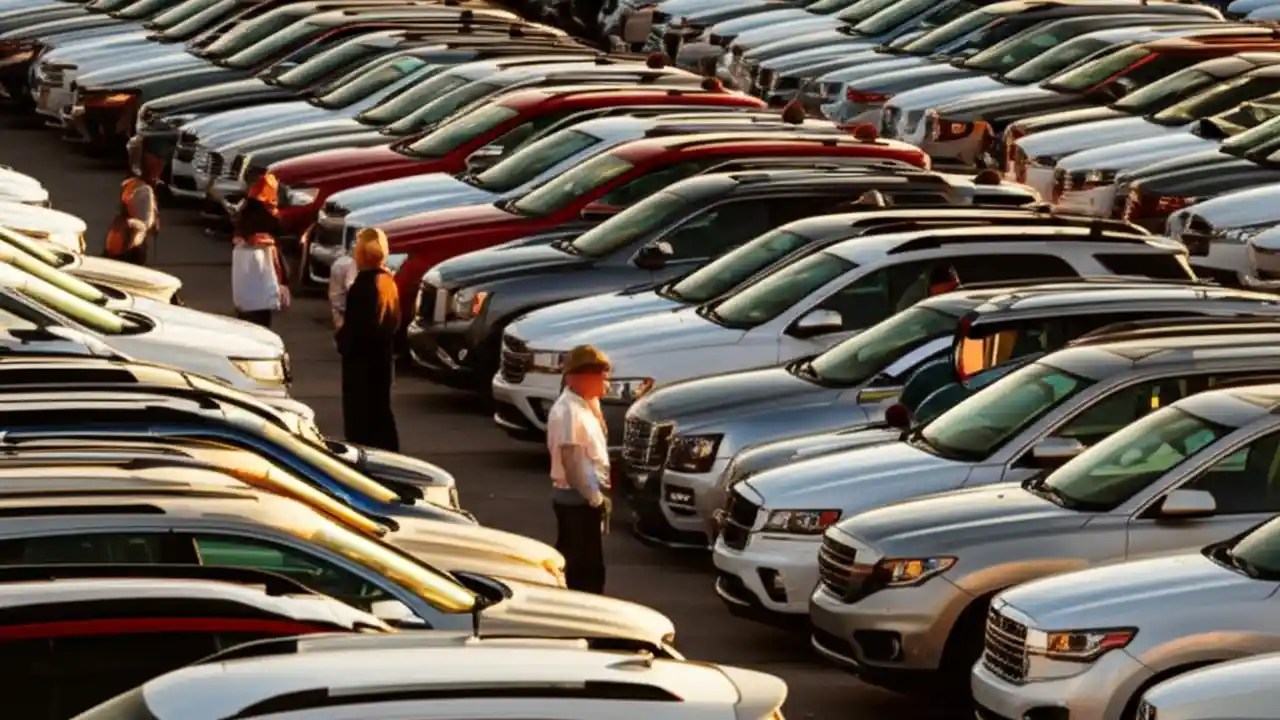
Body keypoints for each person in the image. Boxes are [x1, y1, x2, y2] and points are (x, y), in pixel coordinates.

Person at [546, 345, 613, 594]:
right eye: (602, 378)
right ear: (583, 377)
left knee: (585, 562)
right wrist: (595, 497)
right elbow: (573, 462)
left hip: (583, 497)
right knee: (583, 568)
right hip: (577, 499)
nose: (606, 385)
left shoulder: (584, 405)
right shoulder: (568, 413)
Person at [336, 227, 401, 451]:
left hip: (361, 366)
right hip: (381, 360)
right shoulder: (388, 282)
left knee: (361, 420)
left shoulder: (363, 287)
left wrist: (341, 337)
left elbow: (355, 332)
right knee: (381, 414)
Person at [230, 172, 288, 328]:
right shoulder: (270, 217)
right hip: (262, 277)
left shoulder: (245, 213)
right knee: (261, 319)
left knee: (245, 317)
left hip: (244, 281)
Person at [102, 167, 158, 266]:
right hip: (133, 239)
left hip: (130, 243)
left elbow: (146, 221)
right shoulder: (143, 190)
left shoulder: (141, 191)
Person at [328, 252, 358, 330]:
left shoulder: (337, 261)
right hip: (345, 301)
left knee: (338, 328)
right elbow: (349, 284)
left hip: (334, 298)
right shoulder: (352, 264)